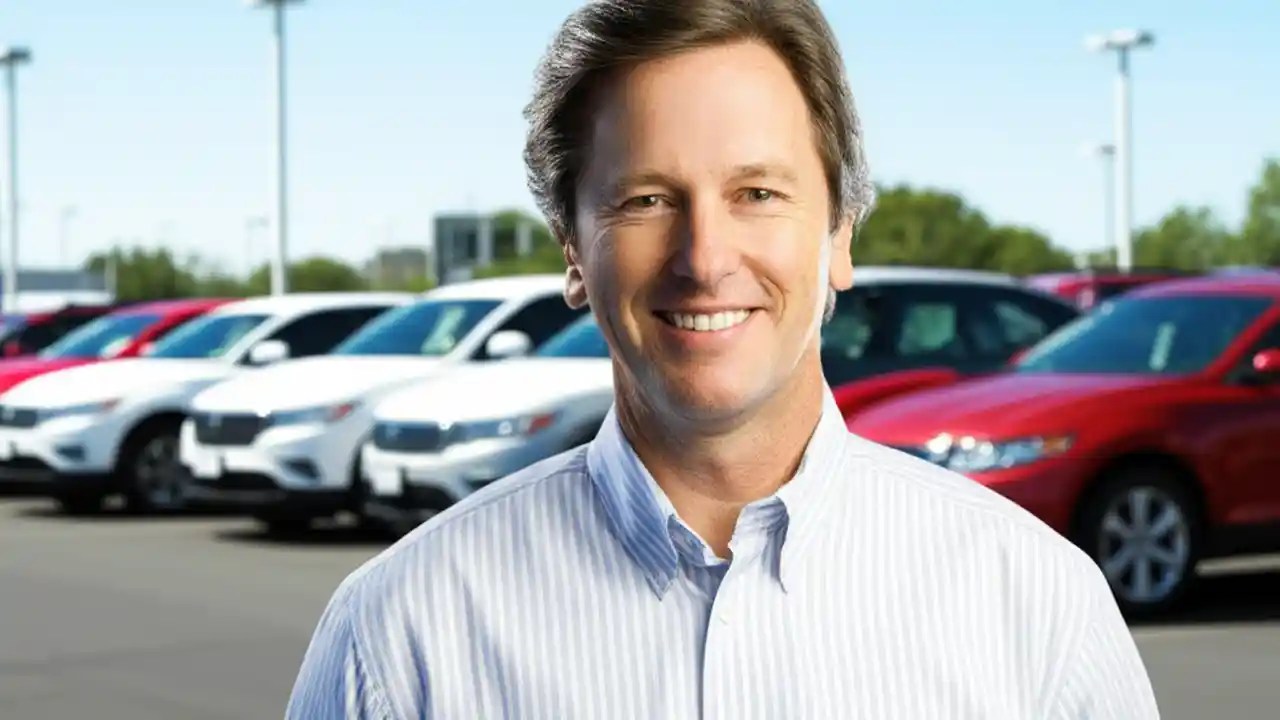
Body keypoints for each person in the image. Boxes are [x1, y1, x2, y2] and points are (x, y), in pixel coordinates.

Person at [287, 1, 1160, 717]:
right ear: (571, 250)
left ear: (839, 233)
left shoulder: (1036, 605)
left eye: (757, 193)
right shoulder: (400, 634)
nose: (704, 258)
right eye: (647, 198)